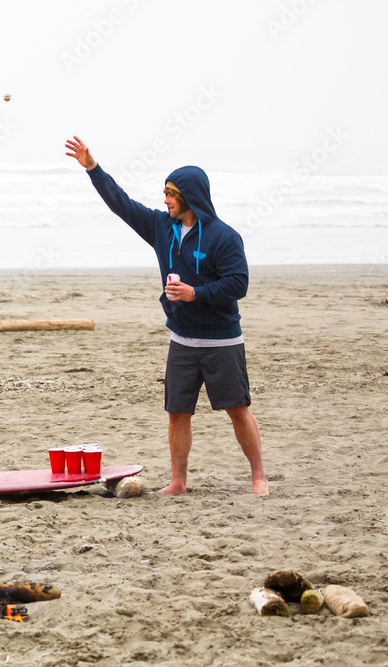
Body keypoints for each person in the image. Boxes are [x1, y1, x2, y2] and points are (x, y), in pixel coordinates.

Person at [64, 136, 268, 496]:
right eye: (165, 193)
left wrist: (196, 293)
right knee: (177, 414)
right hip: (182, 340)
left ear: (189, 197)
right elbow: (122, 205)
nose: (165, 200)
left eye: (171, 194)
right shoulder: (162, 228)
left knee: (237, 411)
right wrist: (93, 169)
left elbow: (239, 284)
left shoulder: (224, 237)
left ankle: (258, 477)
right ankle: (178, 482)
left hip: (222, 340)